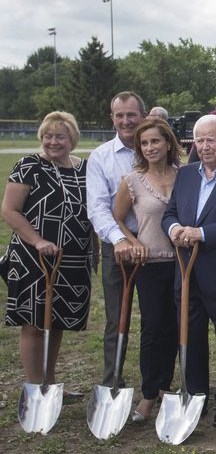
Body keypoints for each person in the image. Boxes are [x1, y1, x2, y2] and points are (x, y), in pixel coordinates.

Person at [162, 114, 216, 426]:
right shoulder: (186, 174)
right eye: (199, 140)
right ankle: (194, 393)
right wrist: (174, 228)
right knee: (189, 332)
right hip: (186, 270)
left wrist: (202, 233)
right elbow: (170, 212)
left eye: (210, 140)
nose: (204, 146)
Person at [2, 112, 92, 388]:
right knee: (34, 322)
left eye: (60, 136)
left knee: (57, 320)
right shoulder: (28, 166)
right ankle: (35, 385)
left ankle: (49, 384)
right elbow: (10, 210)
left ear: (72, 139)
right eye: (48, 136)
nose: (53, 142)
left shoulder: (84, 168)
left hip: (71, 257)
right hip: (34, 256)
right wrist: (37, 240)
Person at [112, 118, 182, 423]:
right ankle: (149, 394)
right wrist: (133, 241)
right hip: (150, 264)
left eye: (155, 141)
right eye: (144, 143)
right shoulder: (132, 181)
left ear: (168, 143)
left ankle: (166, 387)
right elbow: (117, 217)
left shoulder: (185, 176)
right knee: (153, 328)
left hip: (182, 263)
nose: (150, 147)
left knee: (176, 327)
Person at [87, 91, 145, 388]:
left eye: (131, 115)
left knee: (157, 319)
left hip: (153, 245)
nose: (125, 121)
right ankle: (112, 381)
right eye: (119, 116)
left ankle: (155, 384)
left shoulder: (155, 148)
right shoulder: (101, 156)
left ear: (142, 116)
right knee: (116, 318)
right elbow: (97, 208)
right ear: (112, 119)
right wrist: (120, 239)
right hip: (117, 246)